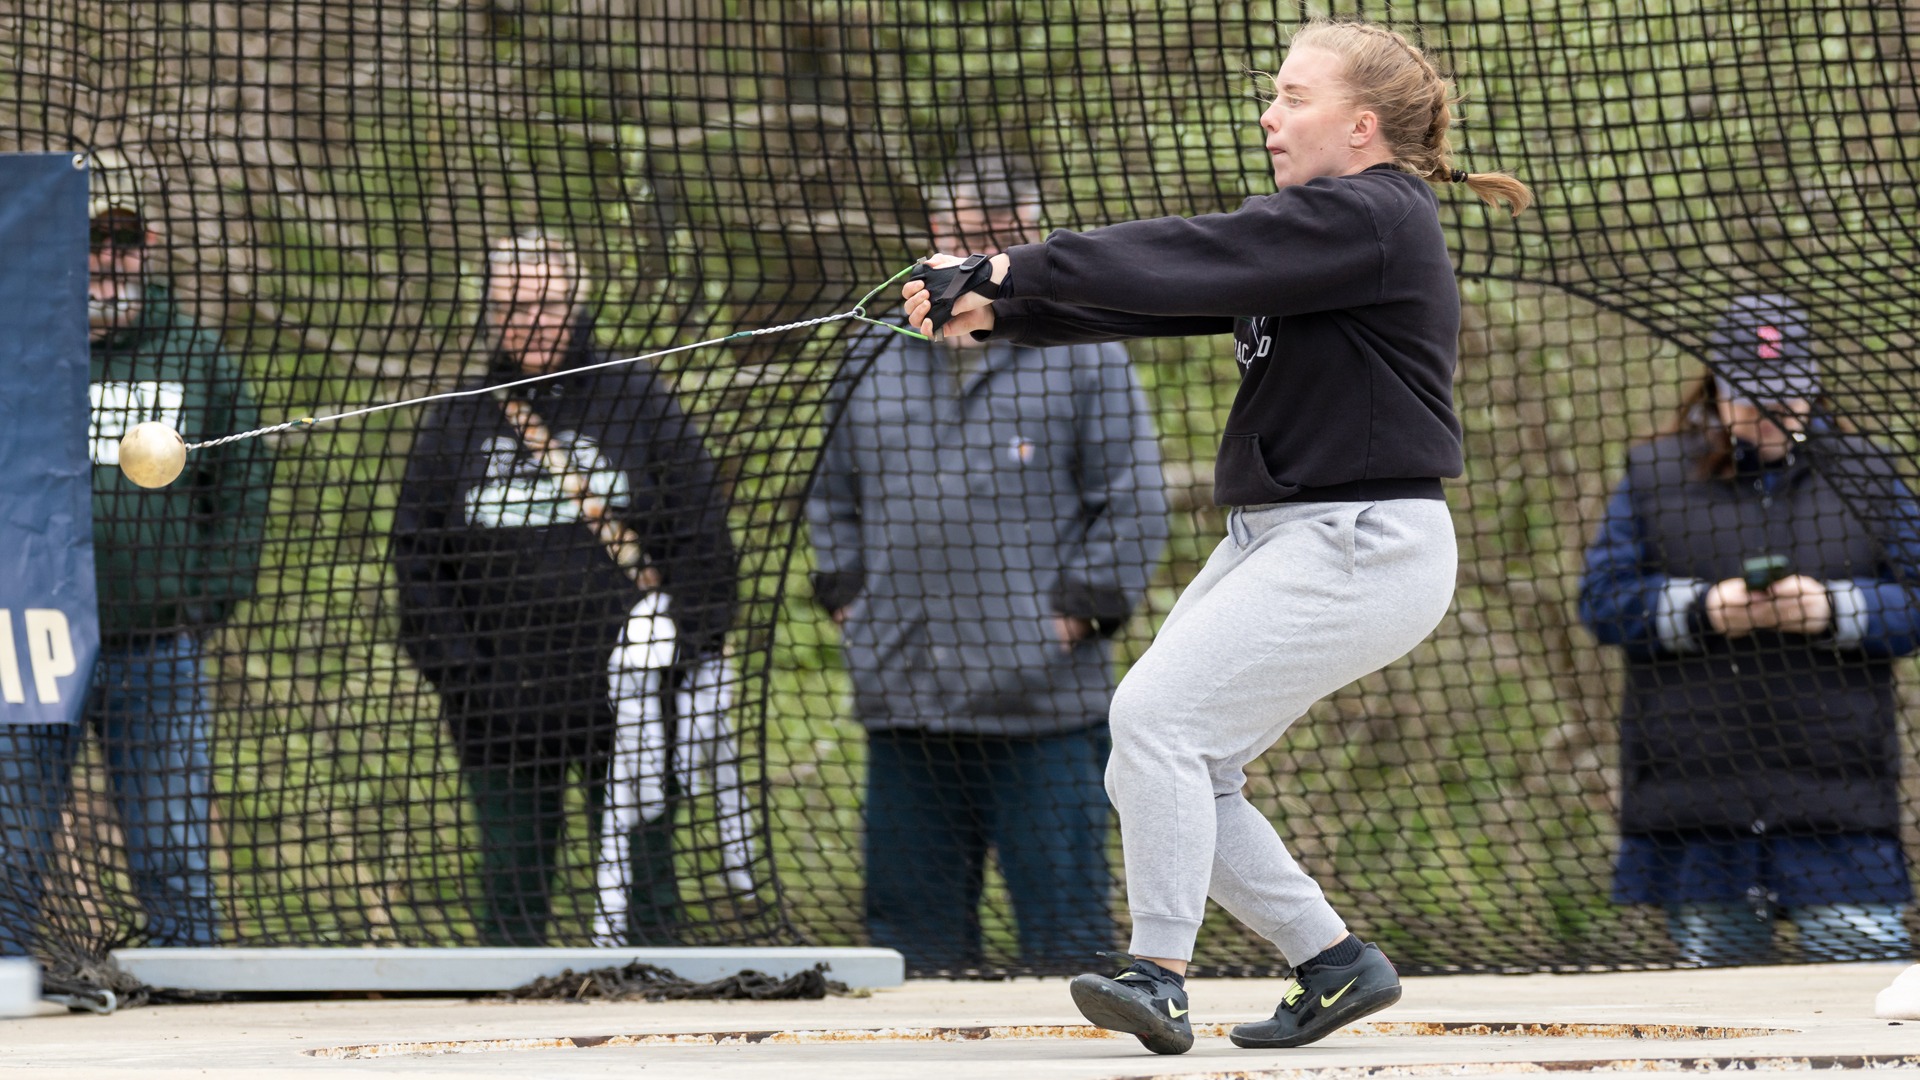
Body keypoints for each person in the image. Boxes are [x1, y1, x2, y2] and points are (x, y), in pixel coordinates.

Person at [903, 18, 1531, 1054]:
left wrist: (1010, 269)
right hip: (1290, 536)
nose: (1269, 117)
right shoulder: (1329, 233)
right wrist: (1001, 315)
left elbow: (1193, 251)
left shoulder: (1371, 213)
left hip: (1362, 540)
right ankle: (1332, 963)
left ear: (1361, 126)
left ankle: (1157, 974)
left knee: (1154, 719)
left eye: (1293, 97)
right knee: (1165, 756)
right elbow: (1169, 298)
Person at [807, 155, 1169, 972]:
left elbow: (1133, 497)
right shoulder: (872, 352)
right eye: (964, 237)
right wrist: (850, 602)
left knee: (1070, 945)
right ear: (936, 242)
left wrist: (1076, 617)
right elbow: (829, 498)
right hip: (904, 703)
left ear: (1028, 245)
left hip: (1043, 708)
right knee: (911, 948)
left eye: (1000, 240)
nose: (979, 256)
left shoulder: (1085, 355)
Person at [391, 232, 741, 947]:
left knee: (648, 894)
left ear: (576, 302)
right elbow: (417, 558)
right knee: (510, 895)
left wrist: (683, 648)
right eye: (514, 306)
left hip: (636, 699)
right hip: (502, 707)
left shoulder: (640, 399)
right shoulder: (460, 417)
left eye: (547, 303)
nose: (533, 321)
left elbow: (703, 535)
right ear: (490, 312)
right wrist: (462, 675)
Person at [1580, 294, 1917, 965]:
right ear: (1718, 389)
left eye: (1787, 397)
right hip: (1699, 813)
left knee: (1864, 1001)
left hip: (1837, 807)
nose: (1771, 415)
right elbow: (1603, 601)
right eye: (1753, 400)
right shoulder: (1653, 475)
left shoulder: (1866, 474)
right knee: (1722, 1014)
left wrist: (1833, 609)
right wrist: (1704, 610)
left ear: (1812, 383)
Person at [0, 199, 272, 957]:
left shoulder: (194, 353)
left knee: (171, 846)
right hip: (30, 641)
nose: (107, 259)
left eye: (123, 241)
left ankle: (188, 991)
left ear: (147, 247)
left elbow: (244, 476)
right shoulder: (17, 344)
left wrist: (206, 596)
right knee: (11, 846)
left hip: (155, 643)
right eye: (91, 241)